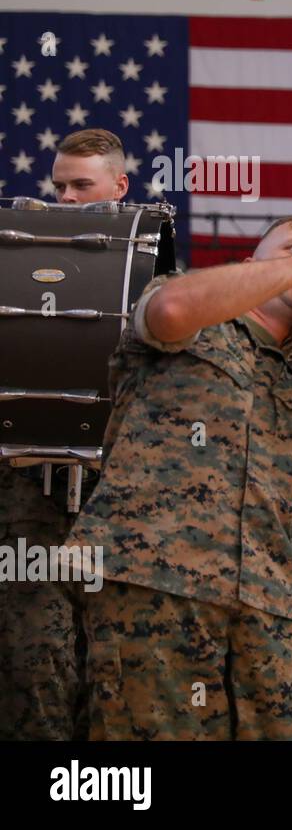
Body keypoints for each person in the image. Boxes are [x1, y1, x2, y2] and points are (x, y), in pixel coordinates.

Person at [67, 214, 292, 739]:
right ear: (249, 265)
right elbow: (169, 311)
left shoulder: (291, 380)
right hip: (156, 575)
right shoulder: (188, 304)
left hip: (267, 594)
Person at [0, 128, 135, 739]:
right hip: (26, 511)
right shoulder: (18, 263)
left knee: (113, 676)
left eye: (83, 185)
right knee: (33, 669)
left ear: (119, 185)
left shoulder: (149, 269)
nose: (68, 198)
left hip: (115, 509)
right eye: (59, 186)